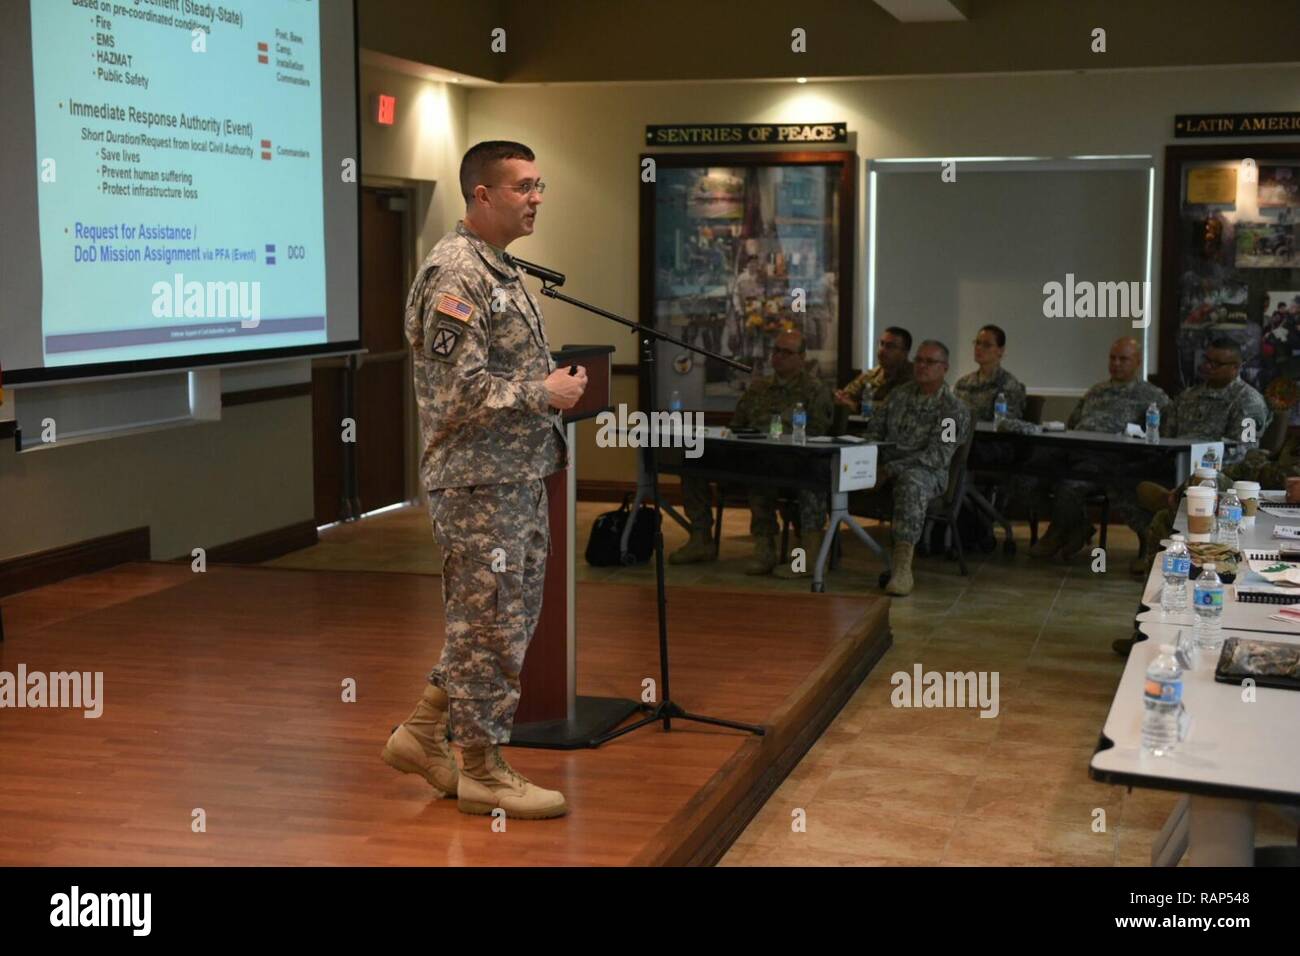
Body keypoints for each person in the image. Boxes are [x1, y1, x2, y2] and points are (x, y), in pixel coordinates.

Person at [384, 141, 586, 820]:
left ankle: (420, 735)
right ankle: (483, 770)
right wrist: (542, 391)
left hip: (513, 475)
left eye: (539, 184)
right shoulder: (455, 273)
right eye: (523, 187)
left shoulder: (497, 268)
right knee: (490, 622)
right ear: (482, 195)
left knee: (498, 621)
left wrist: (544, 394)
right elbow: (455, 394)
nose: (536, 198)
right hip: (478, 485)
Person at [670, 329, 834, 578]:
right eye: (775, 351)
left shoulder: (815, 390)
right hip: (749, 451)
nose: (778, 357)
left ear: (802, 358)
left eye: (786, 352)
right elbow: (737, 424)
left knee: (762, 470)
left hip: (791, 460)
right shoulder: (759, 387)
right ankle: (701, 538)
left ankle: (768, 547)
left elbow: (817, 433)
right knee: (694, 455)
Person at [1029, 337, 1169, 562]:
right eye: (1112, 358)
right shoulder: (1096, 391)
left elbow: (1161, 436)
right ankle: (1077, 526)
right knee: (1027, 477)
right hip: (1075, 452)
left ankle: (1058, 532)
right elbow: (1073, 423)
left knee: (1070, 486)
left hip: (1109, 460)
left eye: (1123, 359)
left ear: (1138, 362)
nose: (1116, 363)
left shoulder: (1153, 397)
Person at [857, 340, 971, 596]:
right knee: (829, 469)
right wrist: (866, 464)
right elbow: (874, 431)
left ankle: (902, 569)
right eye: (919, 360)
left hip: (928, 474)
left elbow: (937, 456)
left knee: (912, 482)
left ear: (945, 368)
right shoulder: (898, 395)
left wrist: (889, 470)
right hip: (883, 467)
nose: (922, 366)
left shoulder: (954, 410)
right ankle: (809, 557)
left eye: (930, 362)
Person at [953, 324, 1027, 423]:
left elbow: (1006, 425)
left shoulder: (1008, 385)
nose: (979, 348)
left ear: (1000, 351)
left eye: (987, 345)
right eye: (977, 343)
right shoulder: (963, 384)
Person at [834, 326, 914, 411]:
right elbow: (846, 395)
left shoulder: (915, 376)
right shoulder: (872, 374)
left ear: (905, 353)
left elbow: (896, 407)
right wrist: (841, 398)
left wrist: (858, 406)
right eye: (881, 344)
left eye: (890, 346)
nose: (882, 350)